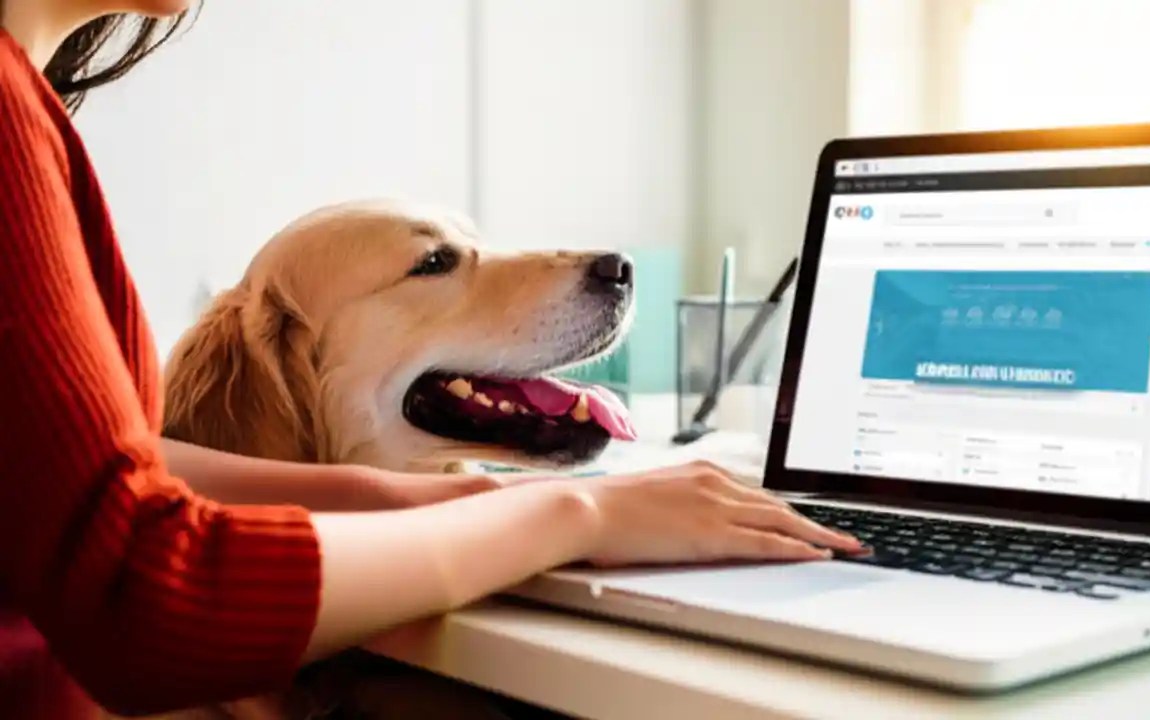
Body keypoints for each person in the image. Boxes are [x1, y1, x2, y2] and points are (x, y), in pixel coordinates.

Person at [0, 1, 863, 718]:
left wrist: (439, 499)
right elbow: (139, 590)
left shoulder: (28, 108)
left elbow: (102, 473)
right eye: (435, 264)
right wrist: (578, 518)